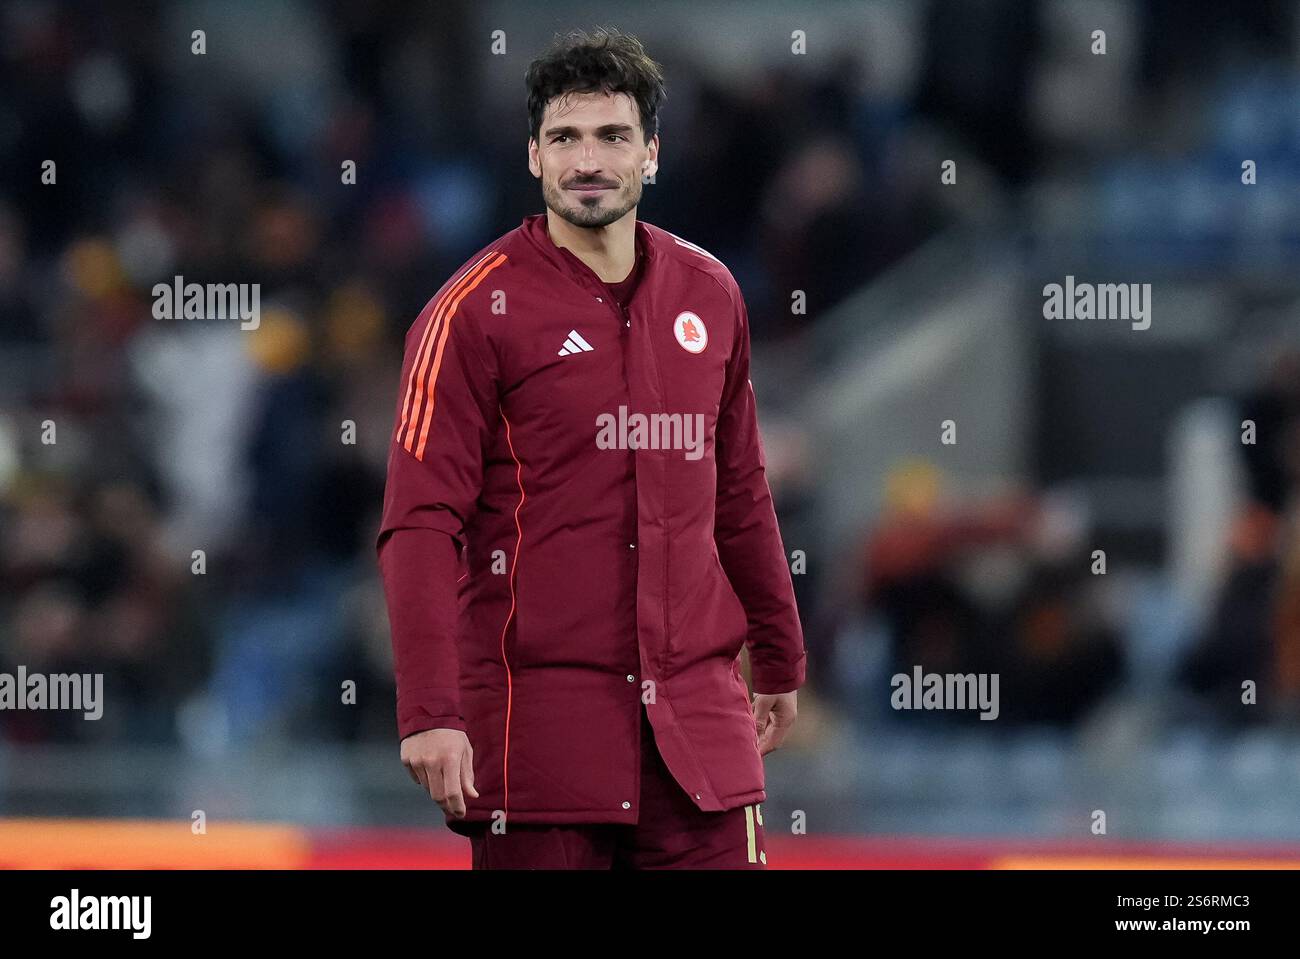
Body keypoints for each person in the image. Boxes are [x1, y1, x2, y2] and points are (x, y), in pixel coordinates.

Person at [376, 27, 806, 869]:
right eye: (565, 138)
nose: (588, 160)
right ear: (533, 156)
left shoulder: (711, 292)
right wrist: (431, 710)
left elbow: (742, 491)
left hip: (699, 740)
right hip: (539, 746)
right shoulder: (469, 312)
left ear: (651, 153)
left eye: (612, 136)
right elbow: (420, 522)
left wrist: (781, 654)